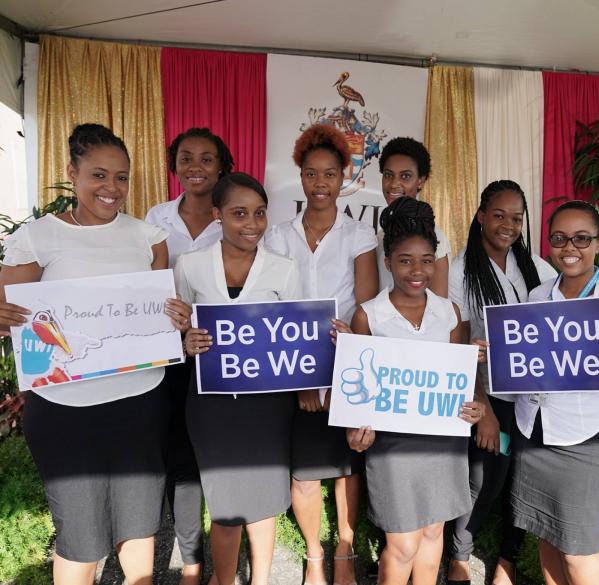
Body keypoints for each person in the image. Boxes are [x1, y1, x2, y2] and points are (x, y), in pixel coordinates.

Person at [0, 123, 190, 585]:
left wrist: (175, 319)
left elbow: (155, 312)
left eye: (121, 177)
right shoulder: (38, 237)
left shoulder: (149, 237)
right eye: (99, 175)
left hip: (140, 401)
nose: (112, 188)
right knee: (80, 535)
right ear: (73, 172)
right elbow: (9, 312)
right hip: (66, 408)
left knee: (139, 523)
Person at [341, 197, 485, 584]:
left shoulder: (450, 312)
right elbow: (358, 388)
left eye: (425, 260)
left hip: (443, 441)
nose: (416, 270)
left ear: (436, 261)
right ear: (387, 262)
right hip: (393, 446)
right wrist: (357, 429)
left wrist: (475, 407)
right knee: (402, 544)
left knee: (433, 533)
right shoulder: (368, 314)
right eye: (405, 260)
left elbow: (463, 378)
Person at [511, 200, 599, 585]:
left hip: (589, 438)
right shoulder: (537, 296)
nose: (569, 247)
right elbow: (527, 366)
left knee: (578, 550)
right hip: (534, 430)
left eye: (581, 238)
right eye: (559, 238)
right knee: (547, 537)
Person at [267, 124, 379, 585]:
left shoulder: (359, 236)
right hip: (292, 370)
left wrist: (335, 379)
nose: (319, 184)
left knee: (347, 467)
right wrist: (304, 382)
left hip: (346, 368)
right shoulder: (277, 236)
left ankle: (346, 552)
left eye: (329, 175)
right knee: (305, 473)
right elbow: (269, 308)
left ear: (343, 179)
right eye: (311, 174)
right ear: (300, 176)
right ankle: (314, 554)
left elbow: (366, 310)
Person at [175, 172, 301, 585]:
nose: (251, 223)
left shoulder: (284, 270)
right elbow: (177, 331)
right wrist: (187, 340)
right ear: (218, 216)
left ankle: (260, 580)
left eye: (260, 214)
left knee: (264, 501)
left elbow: (297, 335)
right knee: (225, 503)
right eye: (239, 213)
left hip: (267, 404)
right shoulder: (190, 265)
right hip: (211, 404)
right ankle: (225, 580)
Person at [447, 180, 556, 585]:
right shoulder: (459, 271)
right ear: (480, 217)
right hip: (490, 396)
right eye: (498, 215)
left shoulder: (537, 269)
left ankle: (508, 558)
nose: (507, 225)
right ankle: (459, 555)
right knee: (483, 482)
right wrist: (485, 410)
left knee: (525, 480)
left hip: (533, 397)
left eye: (516, 217)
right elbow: (457, 344)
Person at [145, 127, 235, 585]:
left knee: (221, 457)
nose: (195, 167)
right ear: (174, 165)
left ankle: (226, 549)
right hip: (174, 358)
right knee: (181, 460)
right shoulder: (155, 219)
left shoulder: (237, 216)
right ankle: (192, 561)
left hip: (230, 357)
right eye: (186, 158)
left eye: (206, 158)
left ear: (222, 166)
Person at [376, 137, 451, 296]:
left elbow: (439, 306)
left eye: (405, 176)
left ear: (421, 181)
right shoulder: (380, 234)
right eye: (388, 175)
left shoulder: (434, 236)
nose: (394, 184)